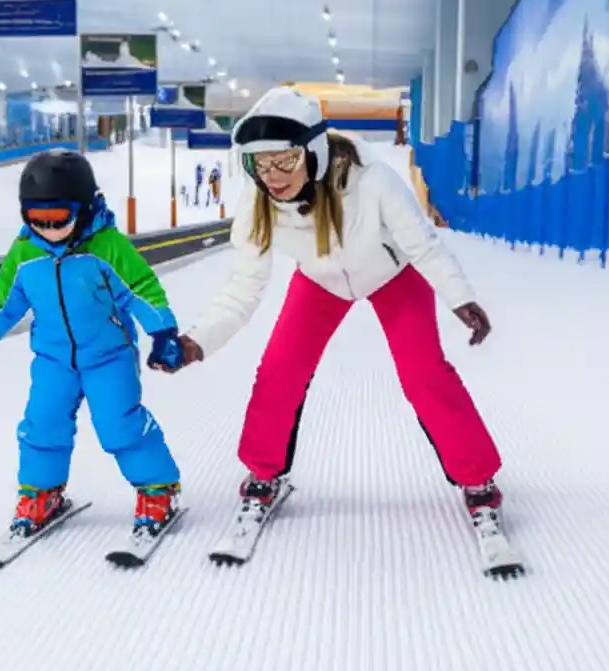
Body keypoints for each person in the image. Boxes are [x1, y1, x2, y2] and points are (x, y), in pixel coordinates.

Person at [176, 86, 508, 539]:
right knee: (279, 370)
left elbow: (422, 244)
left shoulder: (373, 181)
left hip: (392, 275)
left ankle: (478, 482)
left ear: (311, 151)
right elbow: (242, 287)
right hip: (321, 281)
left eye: (285, 160)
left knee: (424, 374)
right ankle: (264, 475)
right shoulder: (258, 204)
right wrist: (200, 340)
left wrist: (460, 298)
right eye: (261, 163)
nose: (273, 176)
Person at [0, 149, 187, 540]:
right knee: (42, 424)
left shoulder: (107, 247)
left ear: (85, 205)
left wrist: (163, 334)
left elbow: (141, 290)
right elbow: (2, 304)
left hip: (108, 356)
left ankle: (157, 488)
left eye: (58, 218)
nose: (47, 229)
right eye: (35, 219)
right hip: (53, 359)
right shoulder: (25, 254)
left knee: (118, 424)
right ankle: (42, 493)